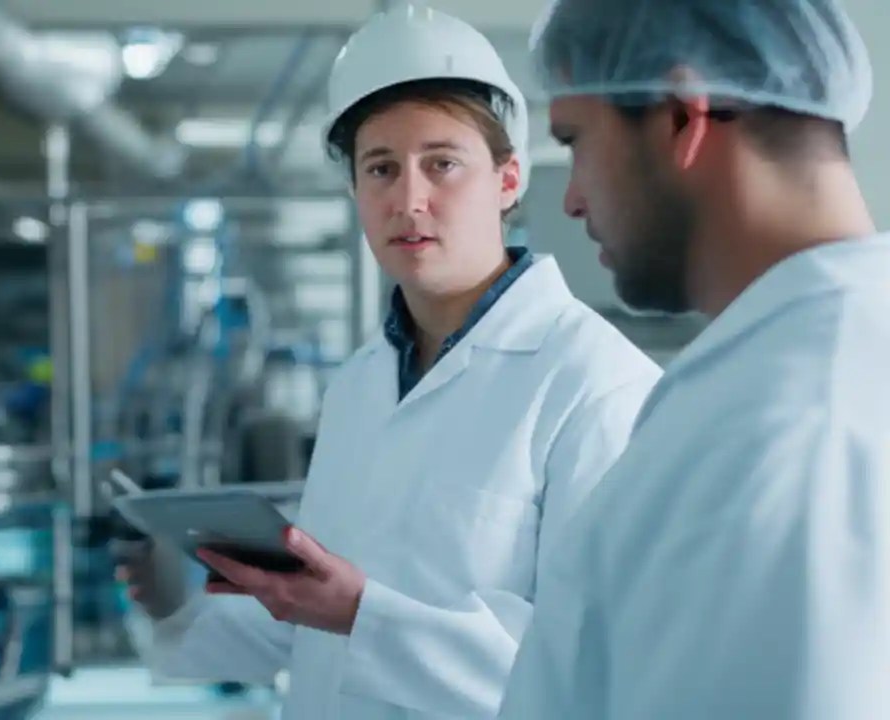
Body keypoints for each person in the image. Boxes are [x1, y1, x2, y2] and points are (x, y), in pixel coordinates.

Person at [117, 3, 660, 718]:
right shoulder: (361, 383)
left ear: (507, 180)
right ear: (355, 190)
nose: (409, 199)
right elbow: (309, 630)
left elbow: (594, 669)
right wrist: (176, 606)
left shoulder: (598, 385)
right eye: (381, 168)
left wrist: (362, 616)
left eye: (443, 164)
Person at [497, 1, 890, 718]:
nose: (573, 198)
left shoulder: (788, 424)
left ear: (682, 117)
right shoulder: (813, 366)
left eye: (575, 140)